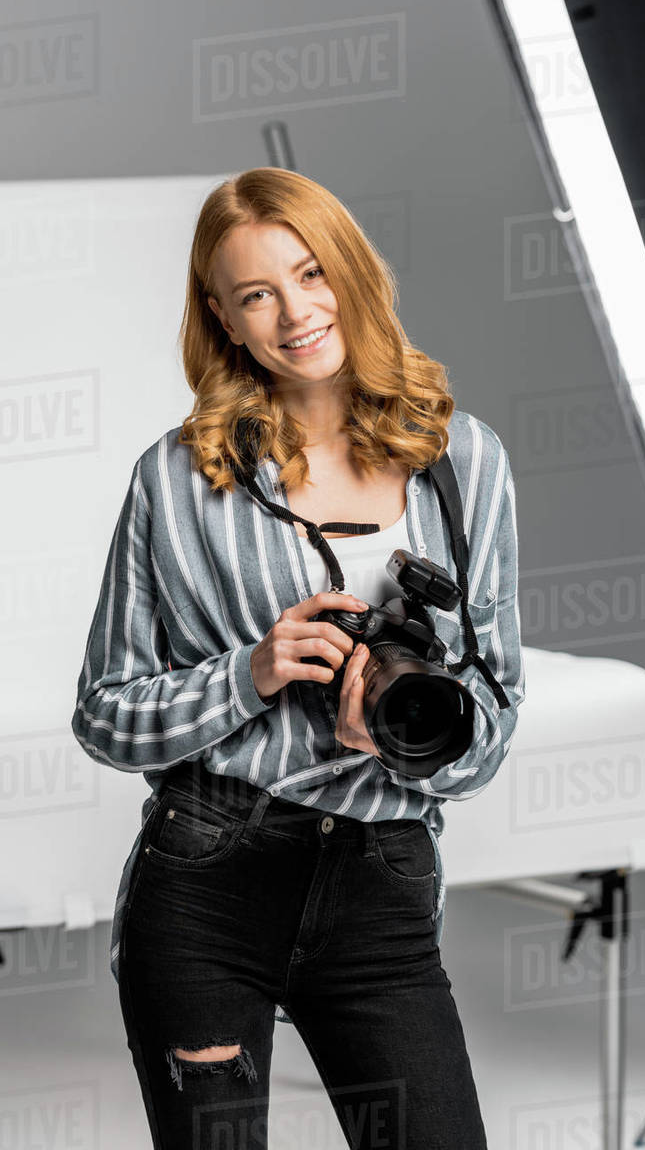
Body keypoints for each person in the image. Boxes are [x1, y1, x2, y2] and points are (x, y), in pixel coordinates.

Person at [71, 167, 526, 1149]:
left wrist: (413, 743)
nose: (295, 313)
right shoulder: (178, 480)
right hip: (208, 881)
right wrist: (253, 672)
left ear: (353, 275)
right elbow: (104, 711)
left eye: (312, 274)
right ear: (224, 320)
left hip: (383, 879)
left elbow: (496, 704)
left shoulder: (466, 461)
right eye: (256, 295)